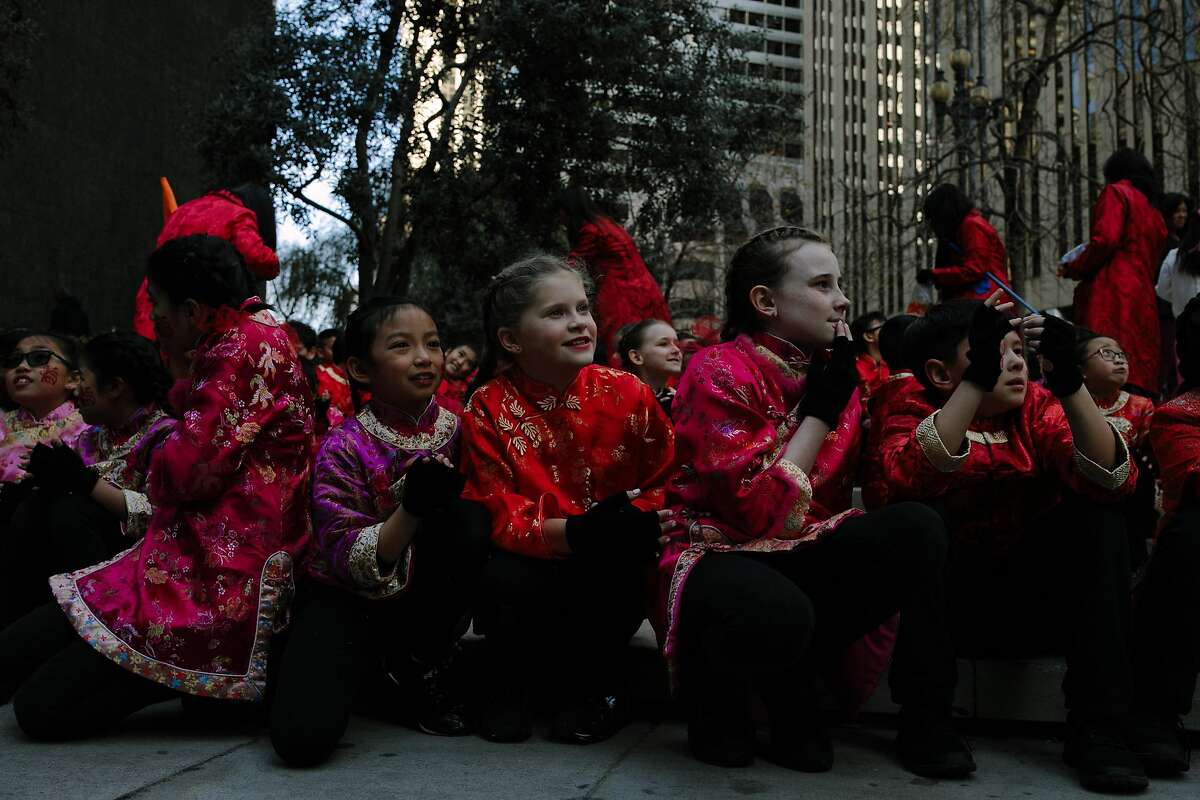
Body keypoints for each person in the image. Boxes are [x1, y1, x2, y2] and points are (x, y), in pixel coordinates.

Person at [659, 226, 969, 778]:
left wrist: (973, 387)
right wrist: (821, 413)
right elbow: (752, 513)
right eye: (824, 285)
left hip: (804, 551)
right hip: (720, 554)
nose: (843, 300)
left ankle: (796, 685)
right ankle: (720, 699)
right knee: (776, 607)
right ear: (766, 301)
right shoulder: (718, 368)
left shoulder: (838, 374)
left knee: (918, 529)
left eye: (840, 283)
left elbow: (888, 488)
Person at [0, 234, 313, 740]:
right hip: (184, 555)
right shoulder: (261, 331)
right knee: (22, 647)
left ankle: (194, 682)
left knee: (40, 708)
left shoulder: (233, 351)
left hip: (211, 578)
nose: (155, 320)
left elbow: (181, 473)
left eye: (158, 306)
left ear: (191, 311)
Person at [867, 298, 1149, 793]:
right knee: (919, 521)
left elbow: (1114, 484)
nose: (1016, 362)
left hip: (1031, 604)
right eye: (995, 353)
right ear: (938, 372)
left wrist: (1070, 385)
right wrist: (975, 384)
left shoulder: (1037, 407)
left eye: (1019, 350)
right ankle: (926, 716)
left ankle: (1100, 726)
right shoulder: (906, 400)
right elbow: (904, 480)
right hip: (944, 615)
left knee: (1100, 519)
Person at [459, 255, 676, 745]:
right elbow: (495, 506)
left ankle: (598, 685)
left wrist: (628, 524)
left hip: (610, 563)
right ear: (511, 339)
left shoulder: (629, 392)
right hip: (532, 562)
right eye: (556, 313)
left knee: (619, 563)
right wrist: (576, 533)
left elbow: (668, 477)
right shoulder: (488, 406)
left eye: (582, 307)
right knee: (500, 570)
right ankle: (509, 681)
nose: (580, 321)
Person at [270, 297, 491, 766]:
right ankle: (371, 671)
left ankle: (420, 663)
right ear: (360, 368)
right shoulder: (342, 445)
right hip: (346, 599)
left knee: (470, 520)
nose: (424, 357)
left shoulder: (464, 430)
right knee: (301, 741)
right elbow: (343, 555)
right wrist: (410, 508)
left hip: (425, 602)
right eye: (401, 346)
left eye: (432, 344)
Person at [6, 334, 175, 625]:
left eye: (81, 378)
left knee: (68, 511)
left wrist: (82, 481)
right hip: (66, 572)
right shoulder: (89, 437)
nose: (73, 388)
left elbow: (163, 519)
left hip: (136, 577)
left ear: (114, 387)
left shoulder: (167, 436)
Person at [1133, 295, 1200, 776]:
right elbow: (1193, 482)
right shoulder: (1178, 414)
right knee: (1191, 533)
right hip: (1191, 555)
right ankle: (1157, 712)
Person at [1061, 148, 1167, 397]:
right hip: (1143, 295)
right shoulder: (1153, 211)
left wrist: (1074, 267)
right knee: (1136, 366)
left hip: (1113, 291)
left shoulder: (1116, 193)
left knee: (1101, 356)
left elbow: (1105, 239)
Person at [133, 183, 279, 340]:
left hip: (152, 304)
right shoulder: (238, 215)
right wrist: (275, 261)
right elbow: (261, 260)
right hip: (189, 317)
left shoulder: (185, 209)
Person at [557, 186, 672, 361]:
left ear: (567, 211)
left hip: (620, 297)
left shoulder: (591, 231)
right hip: (645, 290)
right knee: (649, 341)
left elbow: (572, 265)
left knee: (622, 345)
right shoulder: (607, 225)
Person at [0, 333, 86, 488]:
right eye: (14, 360)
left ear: (73, 380)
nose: (22, 366)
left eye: (39, 357)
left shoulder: (91, 430)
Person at [920, 183, 1010, 302]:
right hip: (983, 299)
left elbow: (974, 269)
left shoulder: (972, 226)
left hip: (986, 300)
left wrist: (935, 275)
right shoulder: (964, 229)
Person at [616, 319, 682, 413]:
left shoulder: (681, 402)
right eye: (663, 344)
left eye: (677, 344)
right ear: (636, 357)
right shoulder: (620, 403)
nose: (676, 350)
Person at [850, 310, 889, 397]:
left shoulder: (893, 363)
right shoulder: (854, 369)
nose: (889, 331)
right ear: (868, 336)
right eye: (884, 327)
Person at [434, 343, 478, 415]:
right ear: (448, 351)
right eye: (461, 354)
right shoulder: (424, 375)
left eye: (468, 363)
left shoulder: (461, 407)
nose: (460, 362)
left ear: (470, 372)